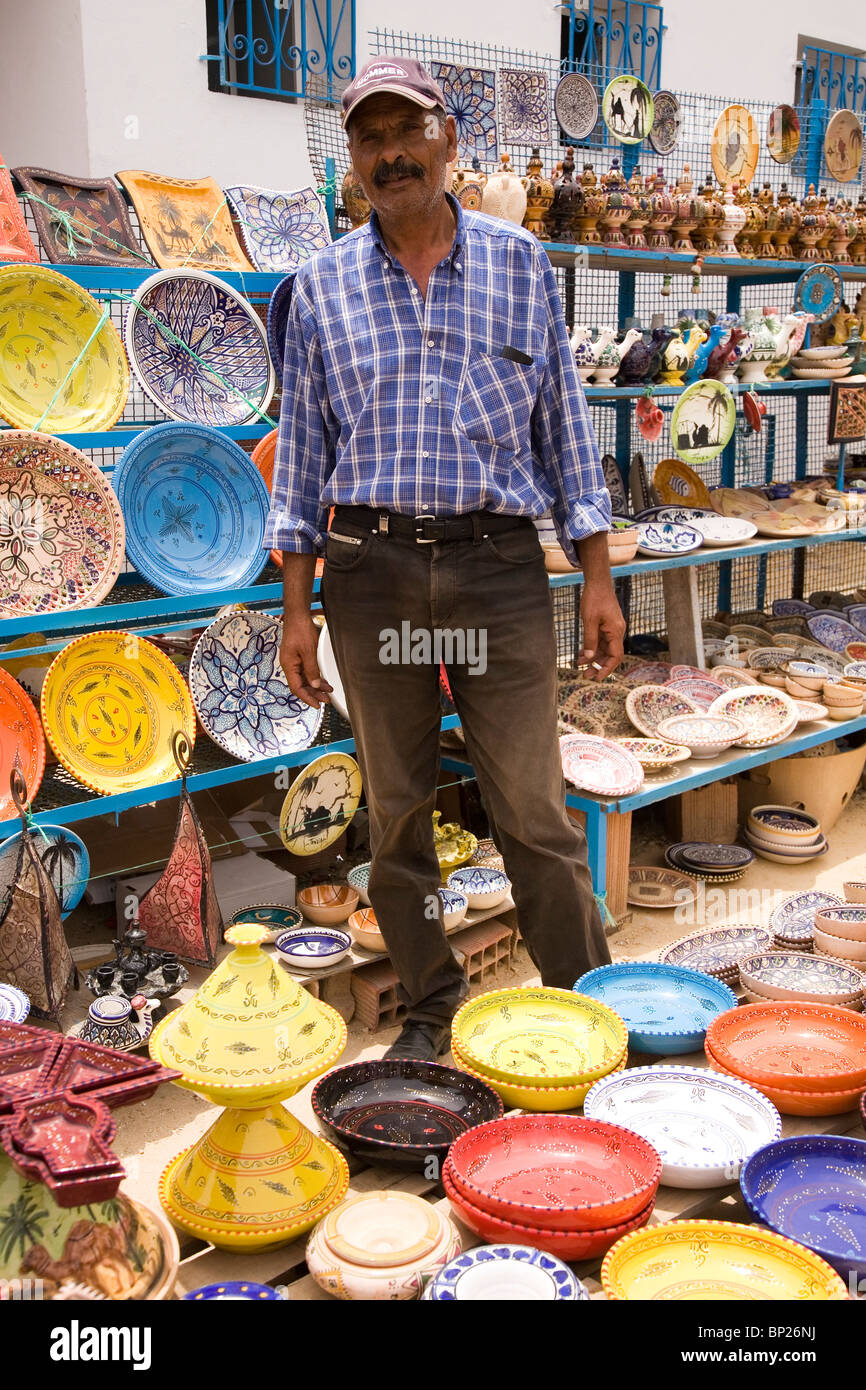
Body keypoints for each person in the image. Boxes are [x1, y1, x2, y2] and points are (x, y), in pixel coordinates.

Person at [266, 55, 625, 1061]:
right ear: (352, 160)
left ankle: (586, 1001)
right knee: (395, 815)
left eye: (405, 130)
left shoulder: (519, 267)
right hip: (371, 573)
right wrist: (297, 610)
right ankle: (427, 1009)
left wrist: (595, 573)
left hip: (494, 566)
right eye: (368, 137)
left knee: (531, 809)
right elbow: (300, 461)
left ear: (448, 139)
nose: (389, 152)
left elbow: (563, 432)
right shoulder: (318, 289)